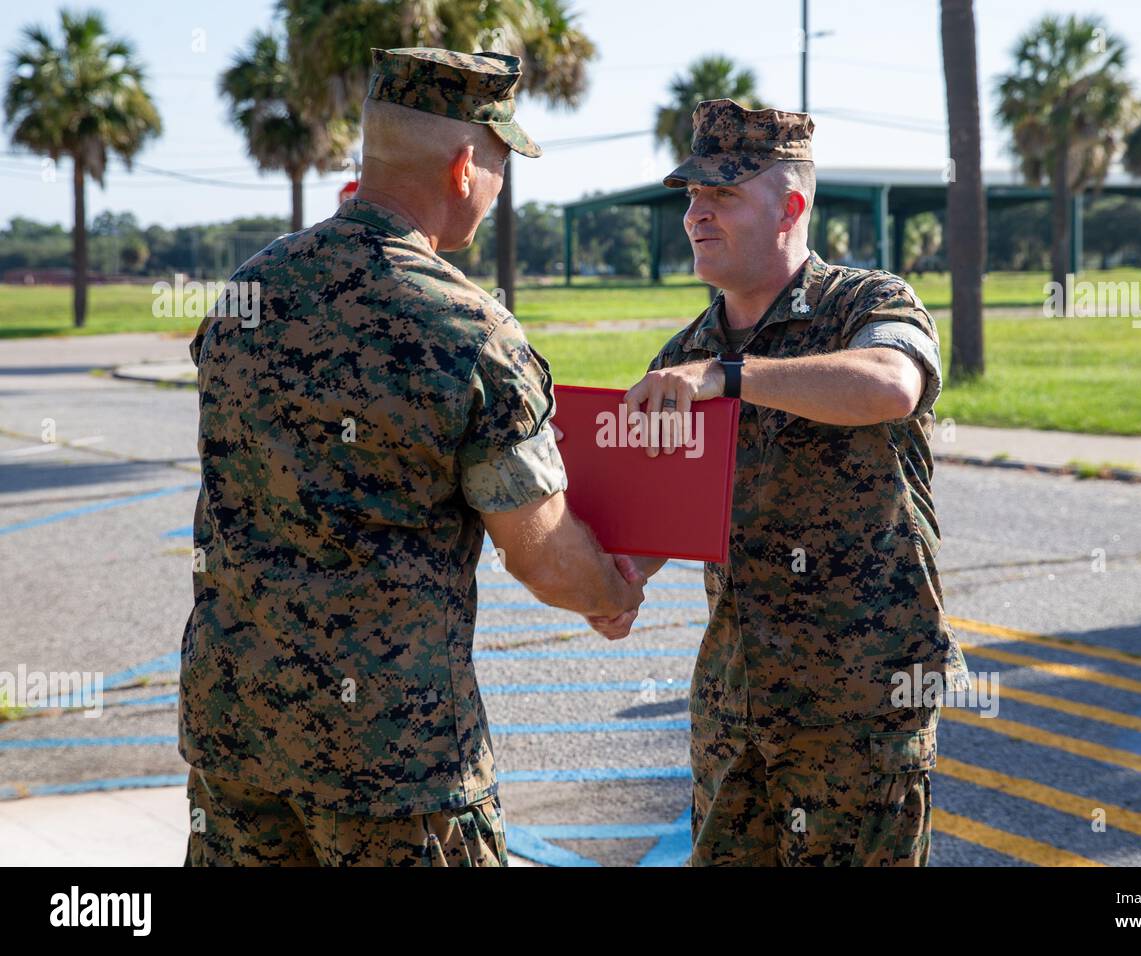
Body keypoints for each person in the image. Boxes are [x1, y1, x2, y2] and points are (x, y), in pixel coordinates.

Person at [179, 47, 644, 867]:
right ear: (466, 168)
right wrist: (609, 590)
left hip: (237, 739)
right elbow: (538, 552)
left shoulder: (246, 292)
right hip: (397, 766)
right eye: (501, 168)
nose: (498, 190)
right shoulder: (471, 332)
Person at [615, 98, 970, 866]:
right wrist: (603, 578)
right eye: (692, 197)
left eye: (723, 196)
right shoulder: (686, 353)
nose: (697, 216)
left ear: (792, 207)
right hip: (734, 712)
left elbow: (890, 385)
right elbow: (653, 528)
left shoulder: (869, 303)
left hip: (859, 708)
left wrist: (731, 377)